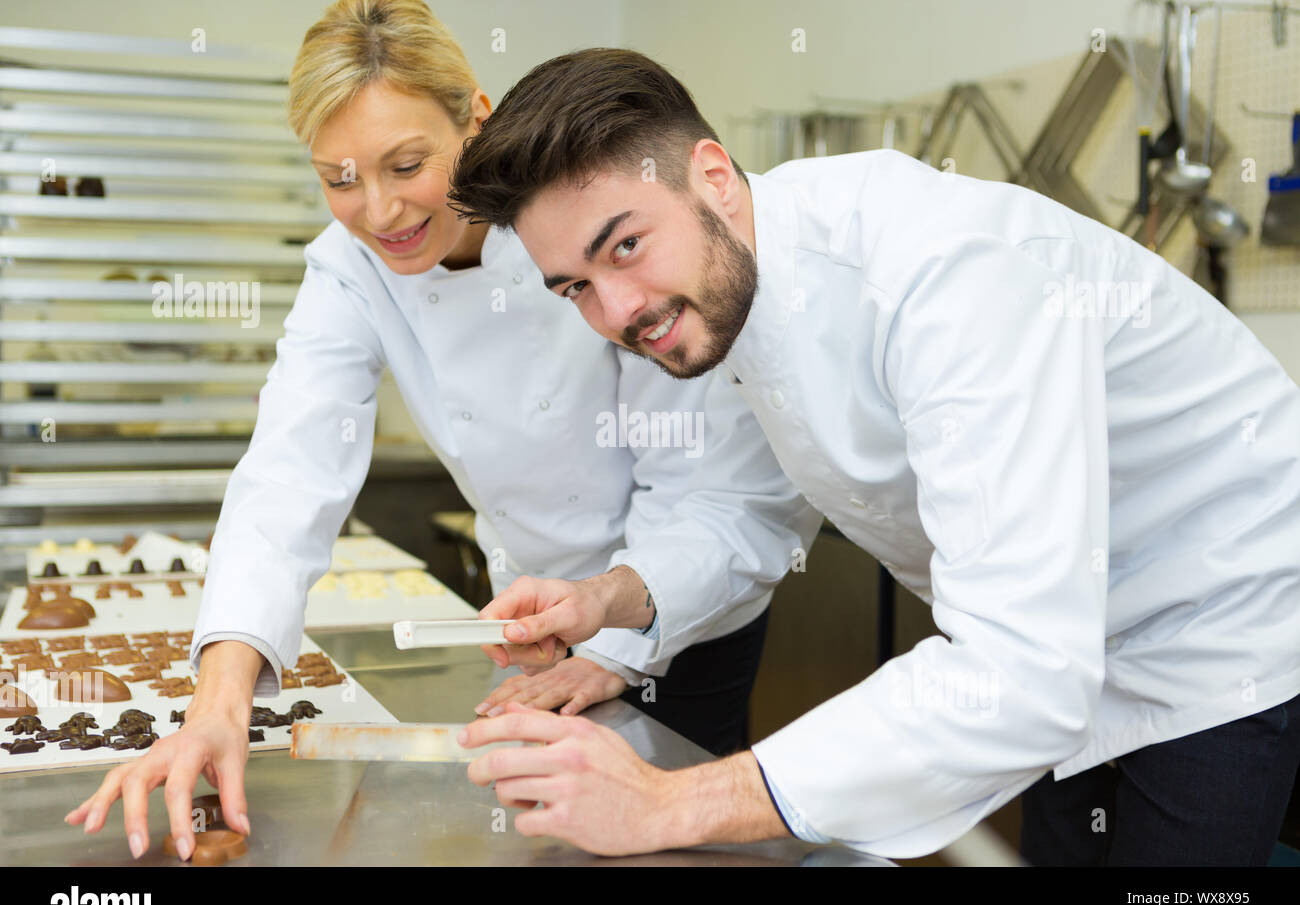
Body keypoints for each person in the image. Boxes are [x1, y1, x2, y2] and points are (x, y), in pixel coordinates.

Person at [447, 48, 1300, 864]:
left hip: (1218, 613)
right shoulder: (726, 292)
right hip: (1069, 637)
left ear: (711, 176)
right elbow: (744, 511)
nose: (618, 310)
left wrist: (672, 803)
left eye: (624, 246)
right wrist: (604, 601)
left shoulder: (941, 275)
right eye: (577, 289)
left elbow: (1018, 669)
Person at [63, 5, 819, 862]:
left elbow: (698, 488)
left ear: (477, 119)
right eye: (340, 177)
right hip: (534, 623)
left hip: (681, 613)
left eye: (408, 164)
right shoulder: (348, 271)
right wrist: (218, 704)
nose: (379, 210)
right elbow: (288, 471)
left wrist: (611, 643)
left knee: (665, 843)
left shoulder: (578, 233)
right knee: (542, 838)